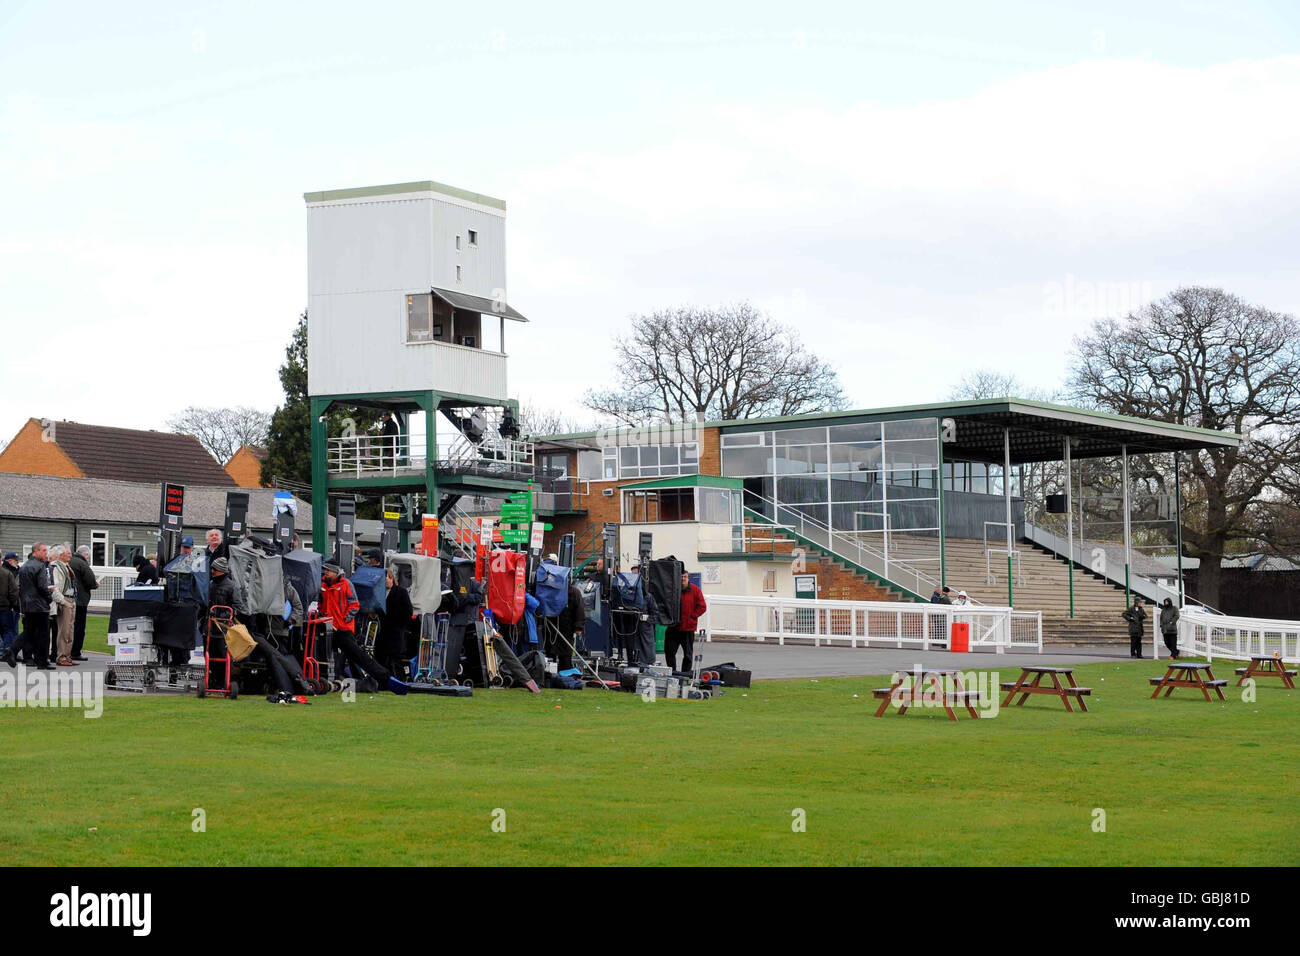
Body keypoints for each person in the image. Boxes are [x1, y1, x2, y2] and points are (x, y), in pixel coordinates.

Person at [321, 562, 406, 693]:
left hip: (342, 629)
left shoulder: (346, 584)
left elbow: (354, 604)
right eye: (324, 570)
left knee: (358, 656)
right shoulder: (322, 586)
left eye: (328, 570)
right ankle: (335, 680)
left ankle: (384, 677)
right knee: (330, 657)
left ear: (335, 571)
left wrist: (344, 620)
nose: (325, 572)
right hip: (327, 627)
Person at [4, 543, 54, 670]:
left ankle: (12, 649)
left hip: (27, 604)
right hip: (39, 605)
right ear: (36, 552)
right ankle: (42, 661)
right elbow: (42, 586)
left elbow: (20, 586)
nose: (46, 553)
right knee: (42, 634)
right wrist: (49, 598)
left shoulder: (24, 566)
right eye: (43, 550)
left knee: (29, 631)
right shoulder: (39, 566)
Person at [665, 571, 707, 673]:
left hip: (688, 628)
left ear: (688, 578)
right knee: (670, 652)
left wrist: (692, 616)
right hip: (673, 627)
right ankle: (672, 673)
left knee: (688, 654)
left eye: (685, 577)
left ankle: (685, 674)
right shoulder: (672, 590)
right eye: (681, 577)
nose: (683, 579)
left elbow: (702, 606)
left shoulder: (695, 590)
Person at [378, 568, 413, 678]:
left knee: (396, 659)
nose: (384, 581)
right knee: (382, 657)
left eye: (386, 578)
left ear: (392, 578)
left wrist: (400, 625)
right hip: (382, 631)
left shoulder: (401, 592)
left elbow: (408, 611)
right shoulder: (379, 593)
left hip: (396, 631)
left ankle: (399, 679)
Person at [49, 546, 78, 666]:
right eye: (68, 553)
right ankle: (61, 656)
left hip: (71, 599)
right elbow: (54, 588)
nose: (70, 555)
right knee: (64, 630)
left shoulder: (67, 566)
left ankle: (67, 655)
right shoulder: (56, 567)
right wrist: (63, 601)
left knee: (70, 630)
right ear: (61, 555)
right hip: (64, 599)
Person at [69, 544, 98, 661]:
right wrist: (96, 585)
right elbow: (91, 581)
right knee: (79, 627)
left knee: (67, 626)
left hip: (70, 598)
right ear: (85, 555)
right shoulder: (82, 564)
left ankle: (65, 650)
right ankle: (75, 652)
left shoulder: (69, 561)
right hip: (80, 600)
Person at [0, 552, 20, 654]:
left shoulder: (10, 572)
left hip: (6, 605)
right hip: (6, 606)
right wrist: (13, 604)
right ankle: (7, 651)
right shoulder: (7, 573)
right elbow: (13, 592)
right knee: (8, 630)